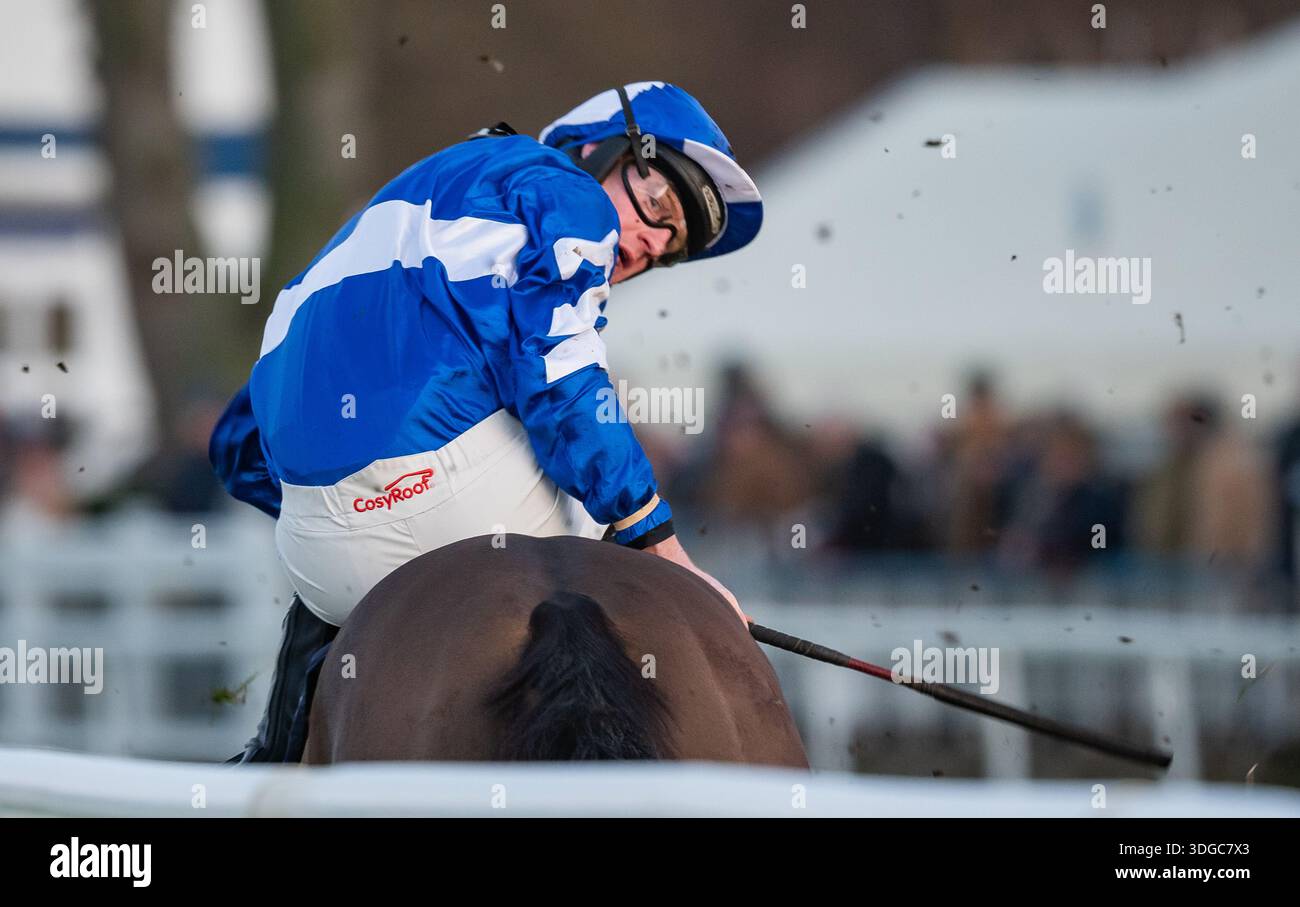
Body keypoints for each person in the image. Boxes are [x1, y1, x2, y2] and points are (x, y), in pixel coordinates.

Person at [210, 82, 764, 762]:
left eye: (670, 242)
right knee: (590, 490)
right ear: (596, 150)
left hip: (314, 558)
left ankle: (273, 746)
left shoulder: (388, 212)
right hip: (456, 508)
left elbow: (237, 443)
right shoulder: (567, 192)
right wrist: (665, 551)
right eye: (655, 202)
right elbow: (559, 378)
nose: (651, 239)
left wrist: (355, 500)